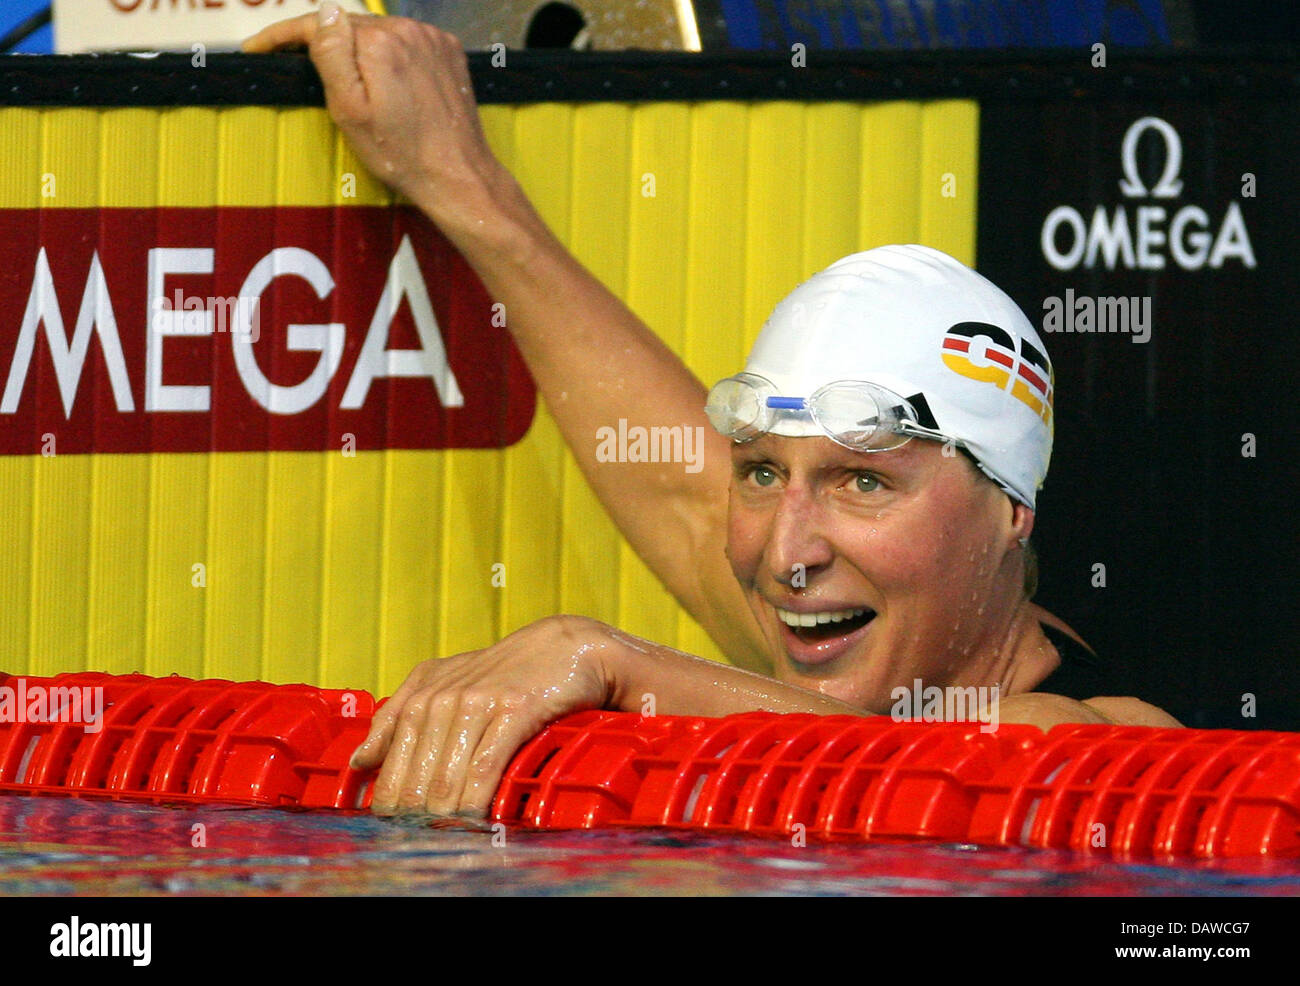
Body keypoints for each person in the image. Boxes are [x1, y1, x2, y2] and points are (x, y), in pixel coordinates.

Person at [243, 5, 1180, 818]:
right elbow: (676, 486)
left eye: (863, 479)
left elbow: (936, 762)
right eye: (763, 472)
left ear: (1011, 506)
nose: (785, 556)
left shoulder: (1113, 739)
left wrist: (604, 660)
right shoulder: (846, 631)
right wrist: (451, 172)